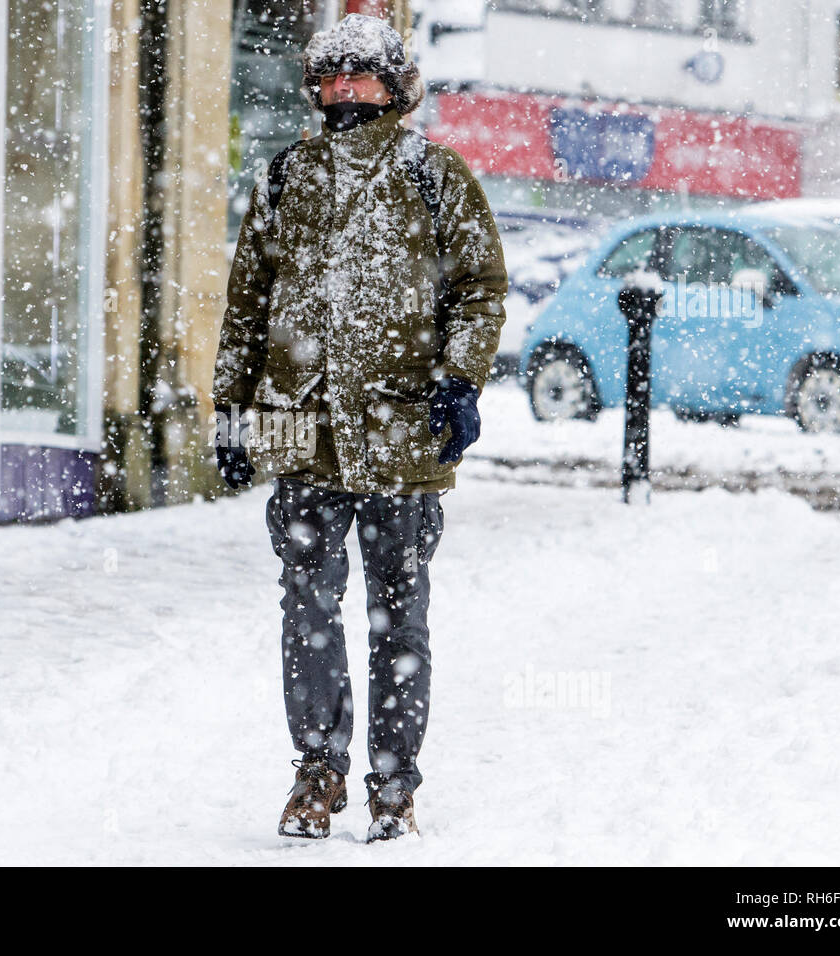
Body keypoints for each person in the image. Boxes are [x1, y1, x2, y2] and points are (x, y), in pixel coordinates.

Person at [212, 13, 508, 842]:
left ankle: (393, 783)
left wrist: (459, 379)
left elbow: (481, 287)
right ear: (316, 85)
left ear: (394, 85)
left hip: (401, 433)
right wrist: (232, 412)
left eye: (362, 75)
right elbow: (246, 306)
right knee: (307, 606)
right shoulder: (284, 179)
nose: (346, 88)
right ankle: (316, 768)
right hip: (301, 430)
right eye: (333, 75)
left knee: (398, 613)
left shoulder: (435, 176)